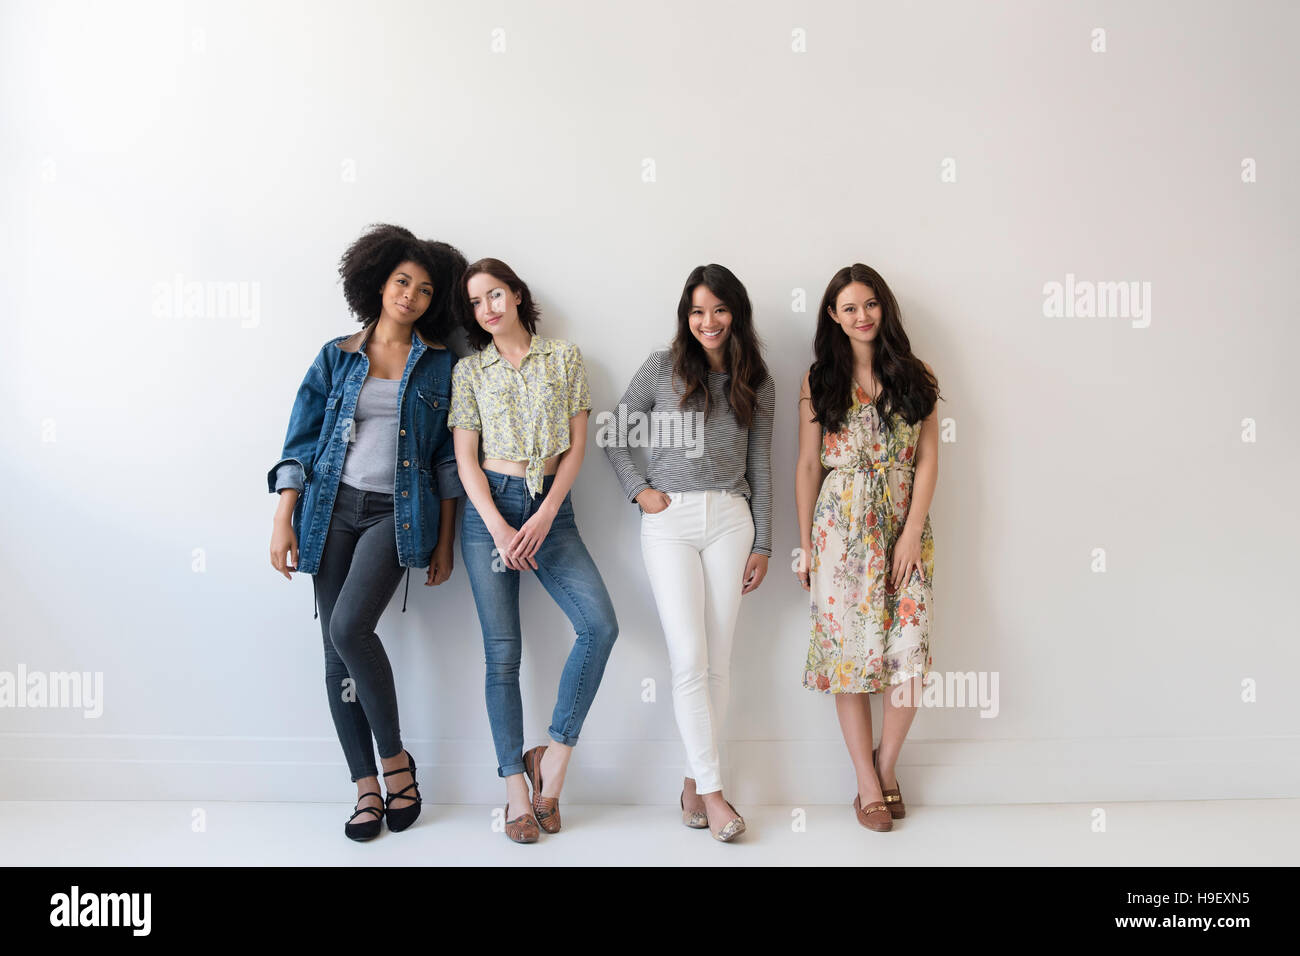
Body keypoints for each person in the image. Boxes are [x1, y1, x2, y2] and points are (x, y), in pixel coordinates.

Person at [267, 224, 467, 841]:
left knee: (348, 626)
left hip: (395, 513)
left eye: (426, 290)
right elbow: (301, 441)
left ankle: (396, 762)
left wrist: (445, 539)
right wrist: (284, 516)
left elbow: (445, 461)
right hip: (329, 510)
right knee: (336, 654)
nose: (411, 296)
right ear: (378, 283)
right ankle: (366, 790)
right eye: (402, 282)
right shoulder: (336, 355)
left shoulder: (440, 367)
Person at [449, 257, 619, 844]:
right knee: (503, 654)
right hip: (489, 512)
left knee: (600, 626)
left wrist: (546, 511)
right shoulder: (469, 371)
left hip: (553, 509)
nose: (487, 308)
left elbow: (576, 447)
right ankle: (516, 797)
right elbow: (466, 459)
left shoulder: (565, 358)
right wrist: (497, 527)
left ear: (517, 295)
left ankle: (552, 766)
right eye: (475, 302)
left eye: (494, 294)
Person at [603, 264, 772, 842]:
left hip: (732, 520)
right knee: (688, 658)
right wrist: (639, 491)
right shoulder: (663, 367)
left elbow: (761, 466)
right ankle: (716, 794)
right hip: (669, 522)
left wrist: (767, 540)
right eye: (698, 311)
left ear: (736, 314)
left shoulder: (756, 380)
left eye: (720, 310)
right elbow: (613, 431)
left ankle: (693, 783)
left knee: (717, 663)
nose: (709, 322)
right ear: (686, 315)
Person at [794, 263, 940, 832]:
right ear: (833, 315)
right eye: (850, 307)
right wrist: (806, 545)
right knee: (849, 659)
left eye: (871, 304)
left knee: (909, 656)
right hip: (840, 531)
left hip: (906, 528)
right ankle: (865, 781)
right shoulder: (819, 379)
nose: (862, 316)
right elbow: (808, 464)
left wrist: (910, 534)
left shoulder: (916, 373)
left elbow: (928, 461)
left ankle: (885, 765)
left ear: (885, 308)